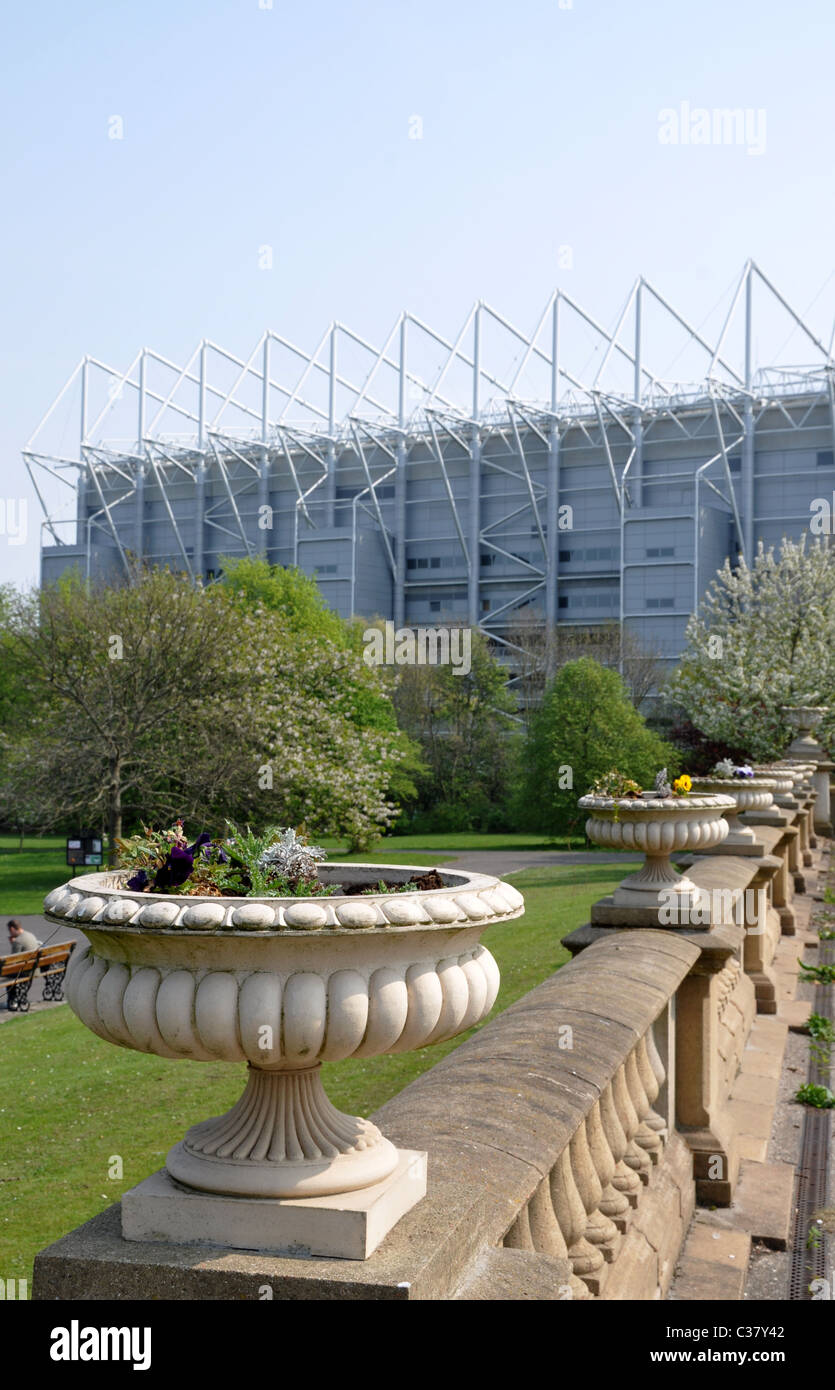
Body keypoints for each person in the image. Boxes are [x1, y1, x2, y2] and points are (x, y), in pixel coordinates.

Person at [5, 920, 41, 1011]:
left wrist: (13, 943)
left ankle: (13, 1000)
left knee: (7, 976)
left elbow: (13, 960)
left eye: (10, 931)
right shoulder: (30, 935)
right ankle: (16, 999)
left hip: (25, 972)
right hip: (35, 969)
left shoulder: (18, 941)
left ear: (12, 929)